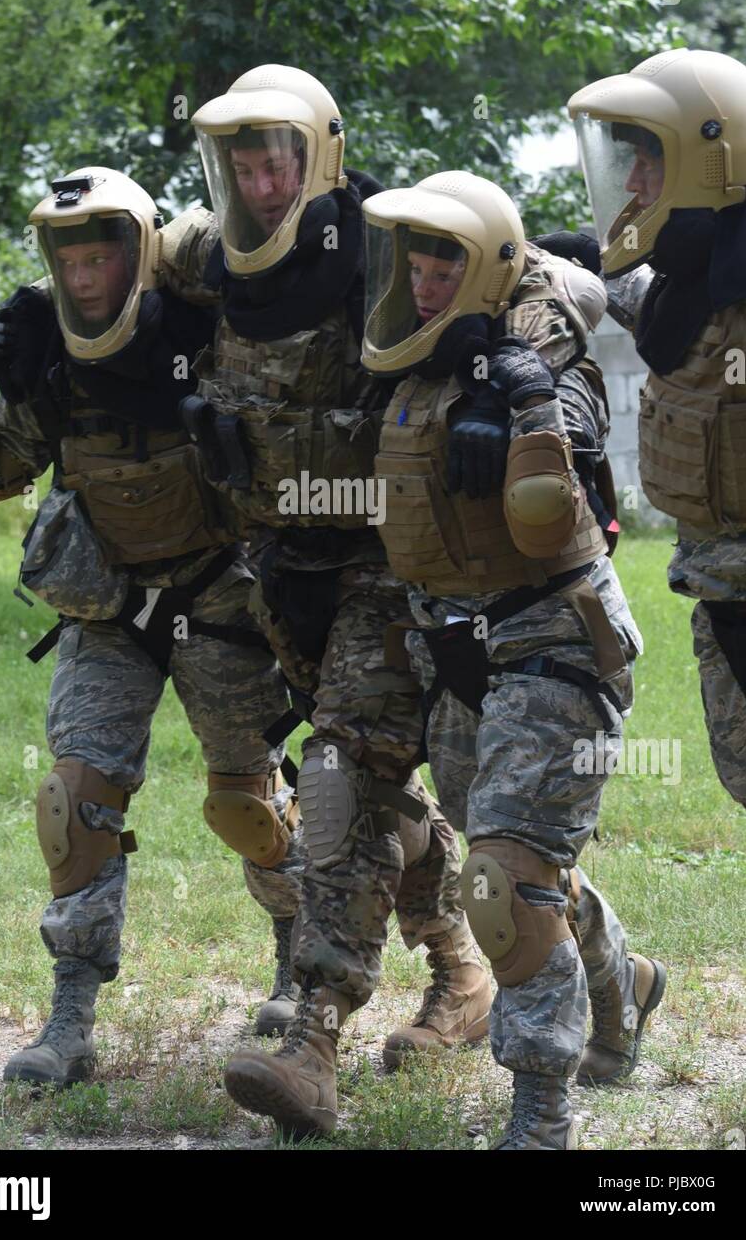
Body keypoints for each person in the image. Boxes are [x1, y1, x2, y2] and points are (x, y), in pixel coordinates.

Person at [175, 66, 492, 1137]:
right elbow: (109, 268)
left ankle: (311, 1035)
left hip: (381, 564)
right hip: (278, 572)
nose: (262, 183)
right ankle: (481, 962)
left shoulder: (386, 244)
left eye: (279, 158)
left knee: (342, 774)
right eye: (241, 162)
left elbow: (524, 272)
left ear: (320, 154)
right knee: (372, 787)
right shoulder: (207, 258)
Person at [0, 167, 300, 1085]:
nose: (86, 276)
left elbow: (287, 441)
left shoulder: (204, 330)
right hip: (107, 608)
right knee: (73, 800)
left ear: (138, 254)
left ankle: (298, 953)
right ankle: (71, 1018)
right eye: (71, 259)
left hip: (220, 600)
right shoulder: (45, 350)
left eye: (103, 256)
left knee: (247, 804)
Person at [359, 170, 666, 1149]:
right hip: (461, 662)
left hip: (554, 651)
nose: (427, 275)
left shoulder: (545, 368)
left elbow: (568, 437)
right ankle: (625, 980)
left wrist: (524, 417)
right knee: (521, 873)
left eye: (448, 256)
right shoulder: (408, 366)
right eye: (416, 255)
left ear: (489, 265)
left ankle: (539, 1115)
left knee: (499, 882)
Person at [565, 46, 746, 973]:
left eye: (649, 162)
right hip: (727, 612)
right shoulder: (687, 293)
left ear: (706, 164)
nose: (632, 184)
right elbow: (623, 291)